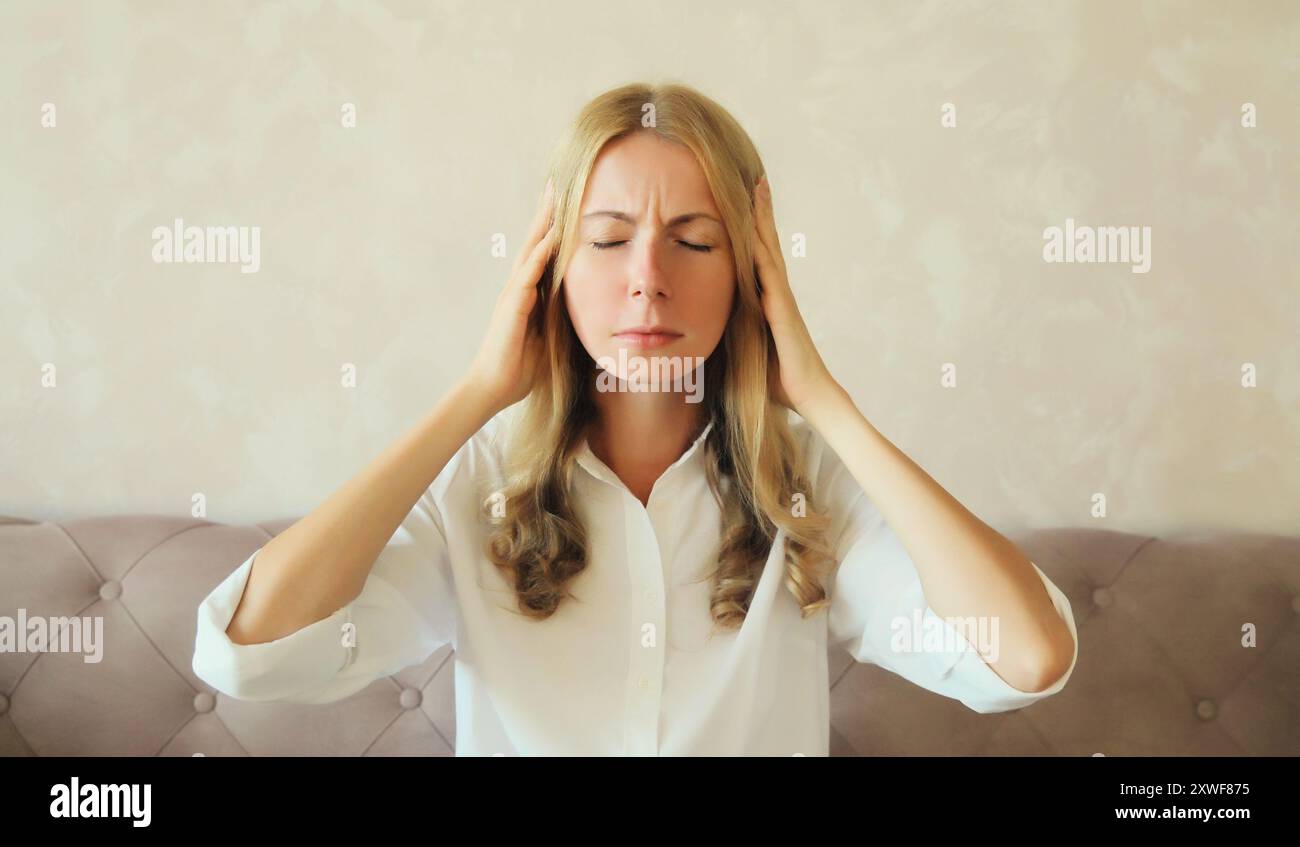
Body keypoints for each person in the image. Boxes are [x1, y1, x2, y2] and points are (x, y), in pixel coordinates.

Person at [192, 81, 1079, 756]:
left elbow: (1026, 657)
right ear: (552, 275)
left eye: (694, 241)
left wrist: (826, 403)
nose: (648, 277)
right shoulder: (480, 479)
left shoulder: (805, 482)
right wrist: (475, 392)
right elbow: (249, 650)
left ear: (750, 278)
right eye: (609, 239)